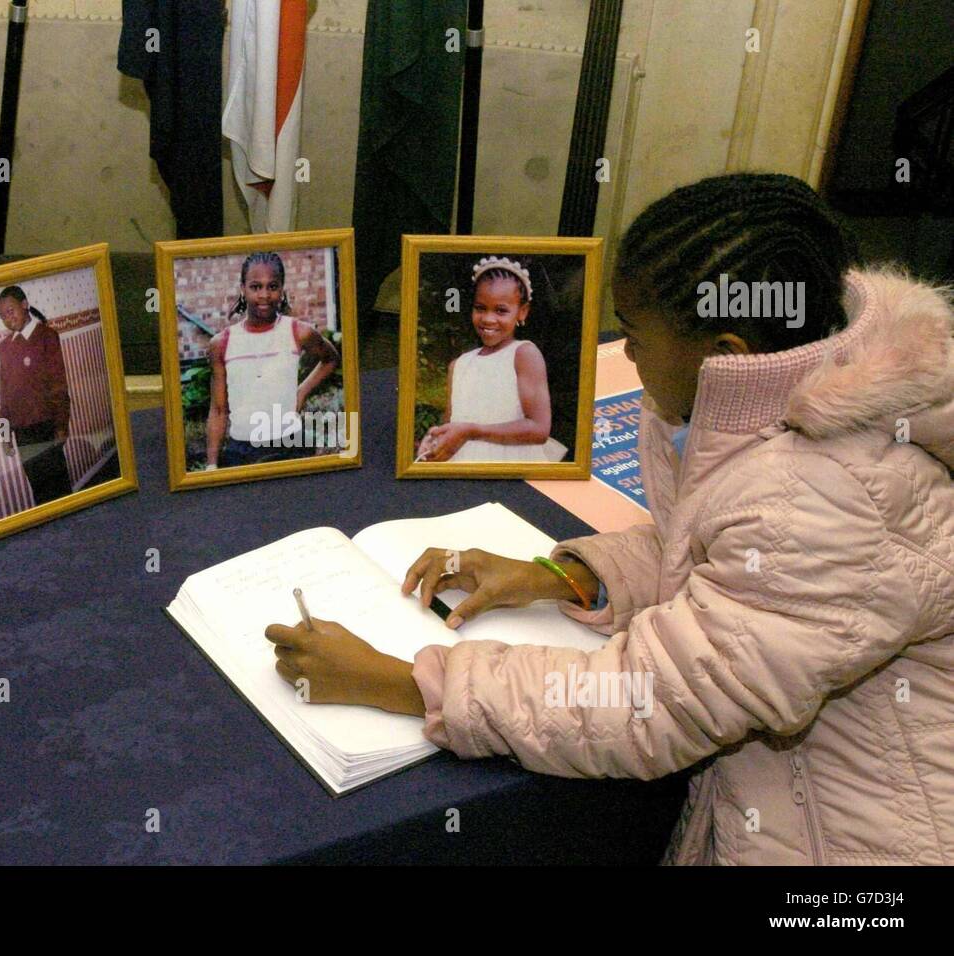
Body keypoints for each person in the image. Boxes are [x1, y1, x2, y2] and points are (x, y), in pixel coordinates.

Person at [265, 173, 954, 865]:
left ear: (725, 355)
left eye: (633, 336)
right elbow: (722, 556)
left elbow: (647, 706)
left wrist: (396, 681)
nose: (626, 357)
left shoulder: (824, 492)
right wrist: (561, 576)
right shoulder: (781, 407)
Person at [417, 257, 567, 462]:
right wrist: (435, 441)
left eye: (501, 310)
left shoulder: (523, 354)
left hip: (510, 462)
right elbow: (452, 424)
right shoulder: (459, 365)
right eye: (480, 308)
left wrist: (472, 431)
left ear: (522, 312)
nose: (488, 318)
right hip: (465, 462)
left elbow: (539, 429)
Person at [204, 252, 340, 468]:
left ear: (282, 288)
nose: (264, 295)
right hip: (242, 451)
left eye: (272, 286)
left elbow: (330, 359)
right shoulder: (222, 343)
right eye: (256, 287)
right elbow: (219, 409)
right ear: (243, 289)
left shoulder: (298, 332)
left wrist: (302, 391)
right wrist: (211, 465)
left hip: (291, 445)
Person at [0, 286, 73, 505]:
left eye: (10, 311)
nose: (7, 319)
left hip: (46, 427)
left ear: (24, 305)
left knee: (58, 486)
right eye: (2, 316)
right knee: (39, 487)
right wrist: (4, 435)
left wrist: (61, 426)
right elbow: (4, 395)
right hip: (22, 433)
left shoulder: (47, 336)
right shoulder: (5, 348)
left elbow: (59, 385)